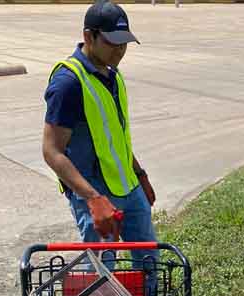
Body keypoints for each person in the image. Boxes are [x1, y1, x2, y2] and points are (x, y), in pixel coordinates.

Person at [42, 1, 158, 270]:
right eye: (112, 42)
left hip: (128, 186)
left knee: (151, 265)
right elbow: (51, 151)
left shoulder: (113, 76)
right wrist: (93, 198)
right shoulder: (68, 83)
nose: (120, 50)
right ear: (88, 36)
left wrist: (140, 174)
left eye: (124, 43)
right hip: (94, 192)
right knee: (101, 277)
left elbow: (114, 137)